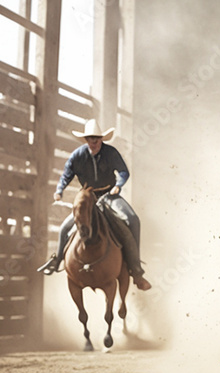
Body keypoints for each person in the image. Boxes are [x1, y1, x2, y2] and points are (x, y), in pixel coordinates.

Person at [37, 119, 152, 290]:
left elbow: (123, 171)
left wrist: (118, 185)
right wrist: (59, 190)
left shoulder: (111, 153)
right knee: (64, 228)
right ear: (86, 140)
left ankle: (136, 270)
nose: (94, 142)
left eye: (96, 138)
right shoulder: (77, 156)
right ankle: (57, 260)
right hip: (87, 197)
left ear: (101, 139)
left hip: (109, 195)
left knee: (133, 219)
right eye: (90, 138)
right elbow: (66, 175)